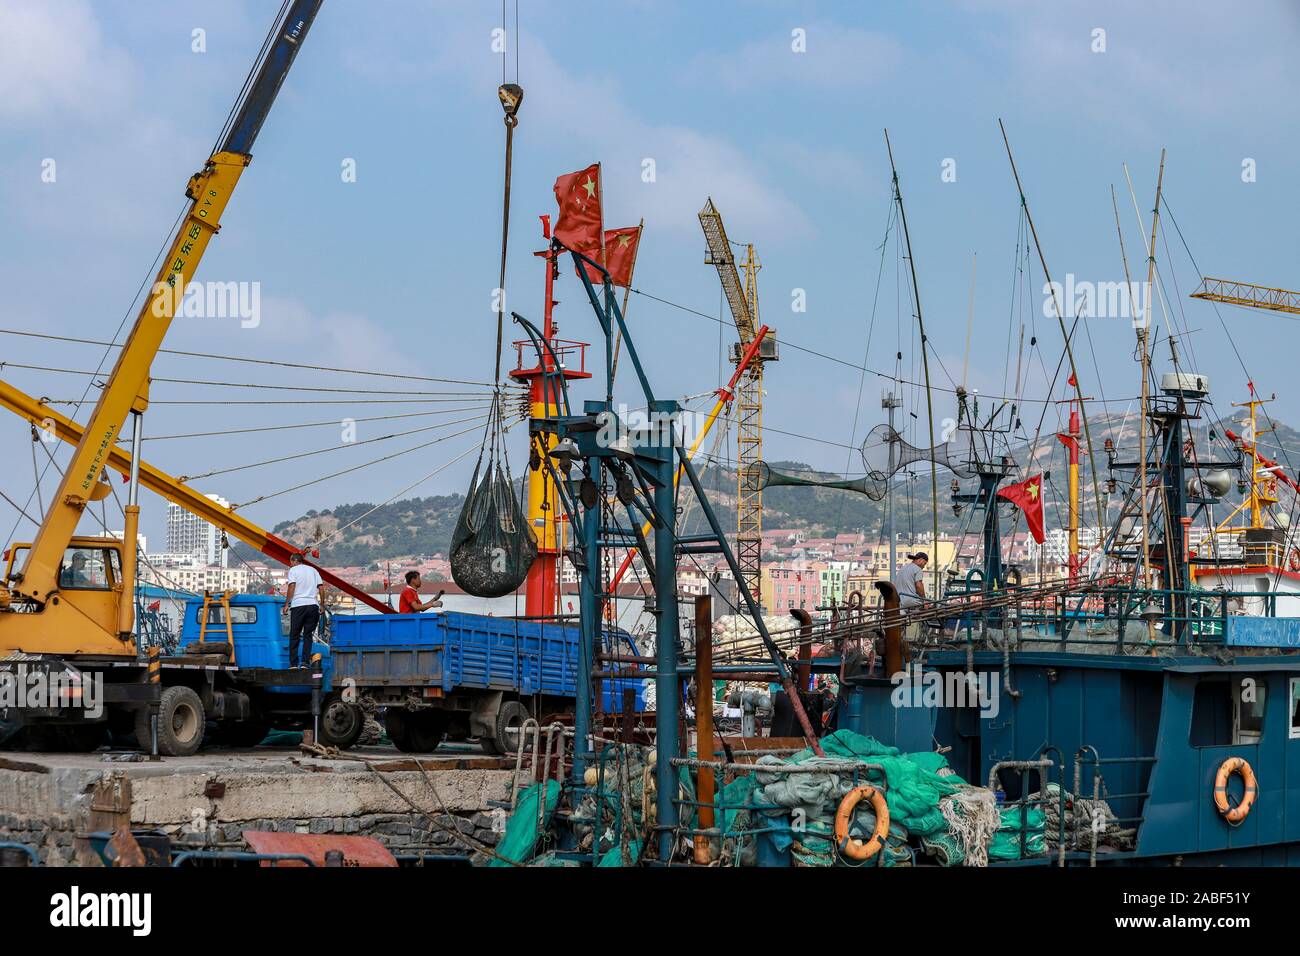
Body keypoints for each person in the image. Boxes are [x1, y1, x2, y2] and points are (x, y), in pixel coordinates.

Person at [283, 552, 324, 668]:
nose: (290, 564)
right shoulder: (313, 570)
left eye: (291, 562)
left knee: (294, 635)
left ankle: (293, 664)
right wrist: (322, 604)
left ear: (294, 561)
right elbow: (321, 587)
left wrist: (286, 604)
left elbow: (292, 586)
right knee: (308, 635)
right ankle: (305, 662)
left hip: (298, 605)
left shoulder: (293, 570)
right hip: (313, 605)